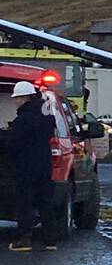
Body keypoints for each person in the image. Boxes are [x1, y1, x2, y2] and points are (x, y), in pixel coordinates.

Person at [6, 81, 57, 251]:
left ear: (24, 97)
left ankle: (25, 239)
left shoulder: (22, 120)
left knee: (25, 203)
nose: (15, 101)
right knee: (45, 203)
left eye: (17, 98)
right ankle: (50, 241)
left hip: (26, 167)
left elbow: (13, 144)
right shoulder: (47, 115)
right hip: (44, 164)